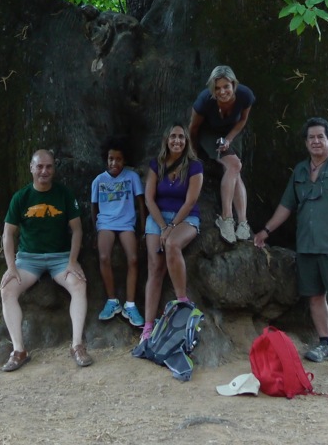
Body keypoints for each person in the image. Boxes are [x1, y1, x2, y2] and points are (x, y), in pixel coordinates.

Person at [253, 117, 328, 375]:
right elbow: (286, 206)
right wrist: (266, 231)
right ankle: (325, 343)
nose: (316, 141)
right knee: (315, 297)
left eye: (320, 137)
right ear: (306, 143)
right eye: (311, 137)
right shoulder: (300, 171)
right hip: (306, 247)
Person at [0, 149, 93, 371]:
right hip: (28, 260)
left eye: (49, 166)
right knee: (7, 290)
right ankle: (19, 350)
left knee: (79, 284)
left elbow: (77, 230)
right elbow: (8, 234)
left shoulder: (64, 195)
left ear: (54, 169)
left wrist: (72, 261)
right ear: (31, 168)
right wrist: (11, 267)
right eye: (39, 166)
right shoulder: (21, 197)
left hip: (60, 258)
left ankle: (77, 345)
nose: (44, 171)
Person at [140, 123, 204, 343]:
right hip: (158, 218)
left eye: (181, 137)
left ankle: (182, 303)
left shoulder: (195, 166)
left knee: (172, 244)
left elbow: (191, 201)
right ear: (166, 140)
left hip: (185, 217)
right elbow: (149, 199)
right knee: (155, 268)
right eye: (173, 136)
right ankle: (148, 327)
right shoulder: (156, 165)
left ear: (186, 141)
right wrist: (162, 226)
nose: (177, 140)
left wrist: (172, 227)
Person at [189, 64, 255, 244]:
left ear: (234, 84)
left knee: (235, 169)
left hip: (229, 133)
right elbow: (193, 128)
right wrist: (193, 152)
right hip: (208, 133)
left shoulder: (245, 95)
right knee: (235, 165)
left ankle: (243, 222)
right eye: (217, 88)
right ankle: (226, 218)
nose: (222, 92)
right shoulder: (204, 100)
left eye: (226, 86)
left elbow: (243, 120)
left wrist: (229, 139)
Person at [90, 138, 145, 327]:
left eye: (118, 159)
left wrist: (142, 229)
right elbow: (94, 207)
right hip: (105, 223)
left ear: (124, 160)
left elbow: (141, 203)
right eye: (111, 159)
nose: (114, 163)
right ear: (106, 159)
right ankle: (112, 301)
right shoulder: (99, 180)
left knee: (133, 259)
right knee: (104, 257)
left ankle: (130, 305)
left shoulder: (132, 177)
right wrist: (95, 231)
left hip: (126, 223)